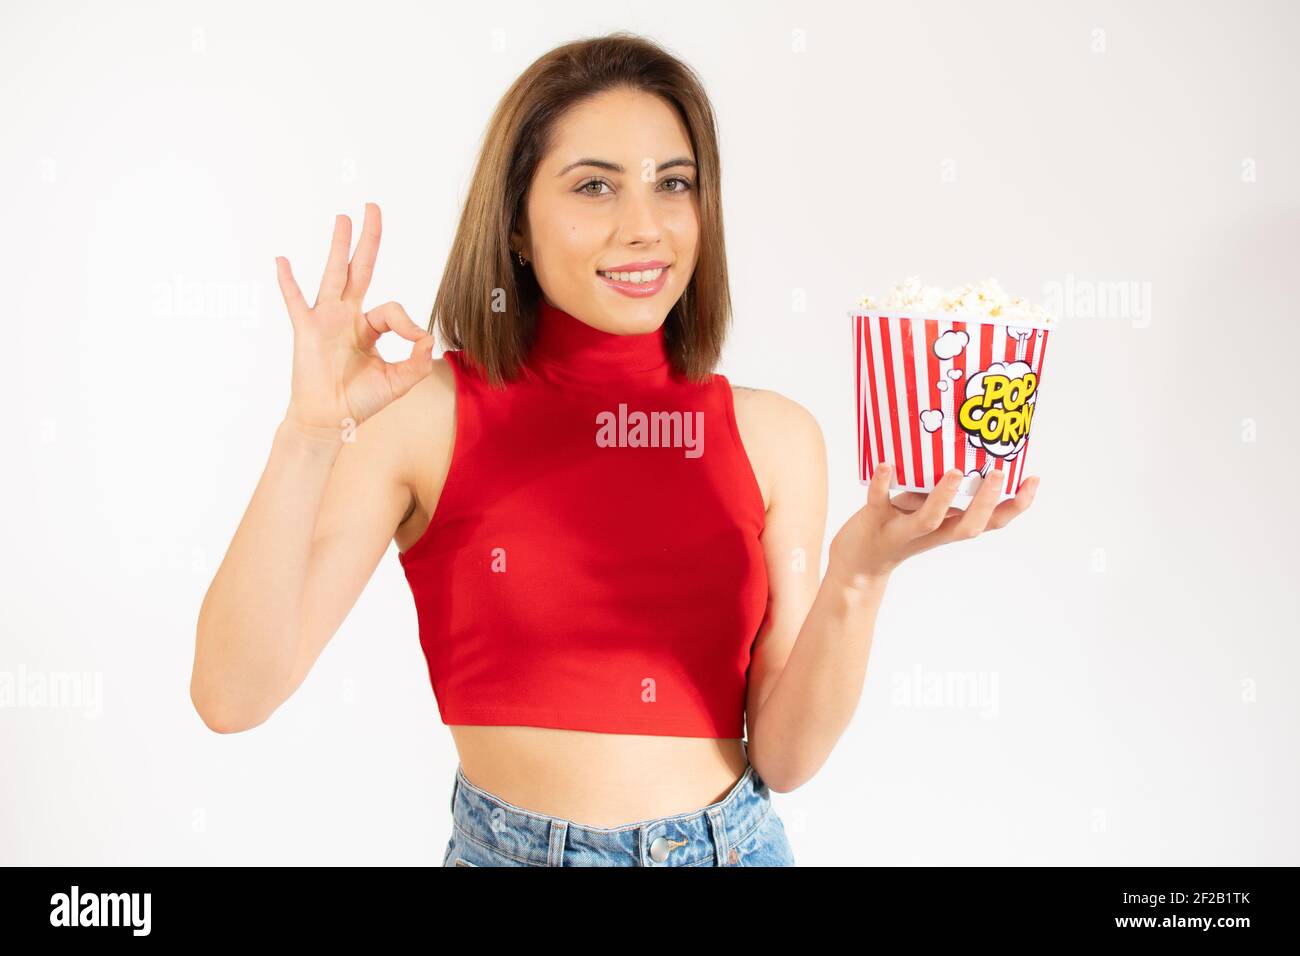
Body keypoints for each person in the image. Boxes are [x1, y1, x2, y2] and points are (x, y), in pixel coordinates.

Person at [190, 32, 1039, 867]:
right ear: (516, 225)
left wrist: (860, 572)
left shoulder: (775, 436)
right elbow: (231, 696)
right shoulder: (426, 414)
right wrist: (308, 433)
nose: (645, 227)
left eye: (674, 184)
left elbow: (784, 758)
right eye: (594, 186)